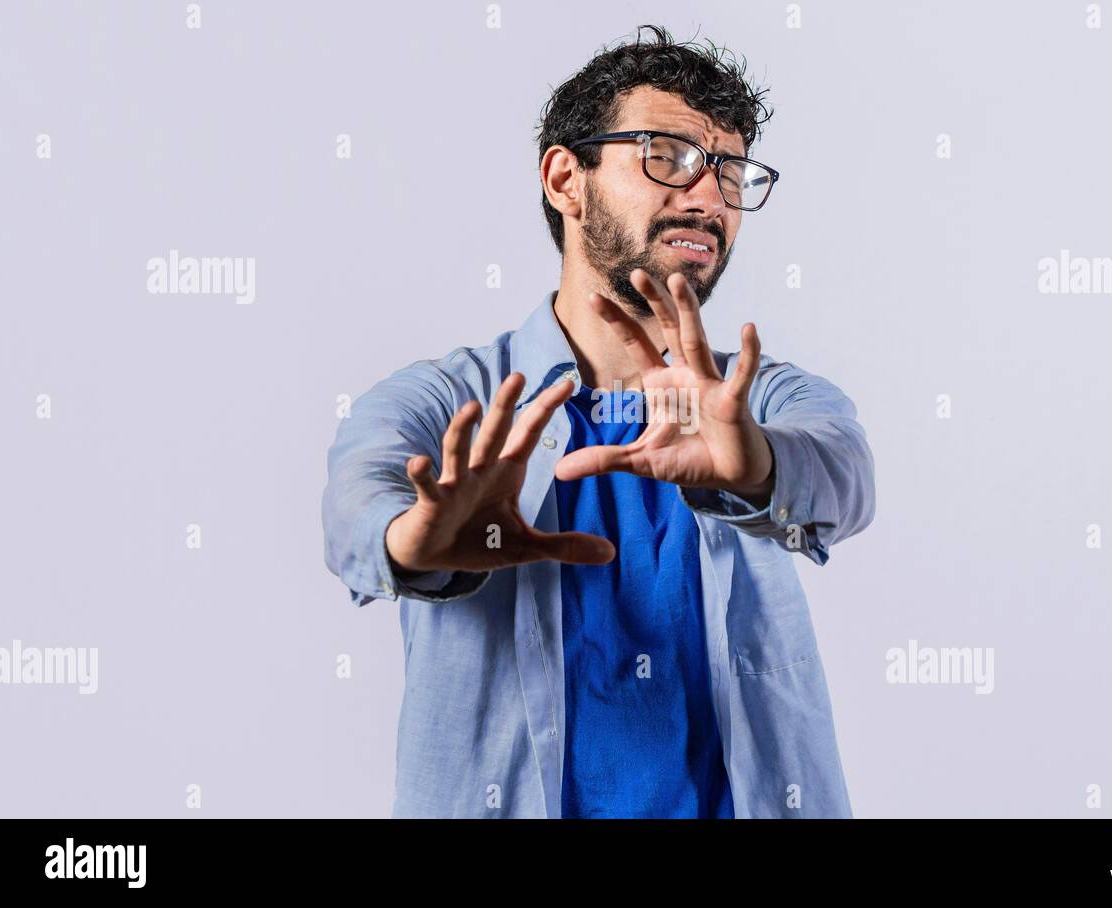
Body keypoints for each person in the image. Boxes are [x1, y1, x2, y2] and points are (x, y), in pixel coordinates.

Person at [321, 24, 876, 818]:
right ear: (564, 178)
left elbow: (842, 473)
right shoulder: (450, 400)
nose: (707, 196)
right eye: (667, 156)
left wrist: (753, 467)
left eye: (729, 171)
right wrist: (414, 543)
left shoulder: (758, 399)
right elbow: (356, 500)